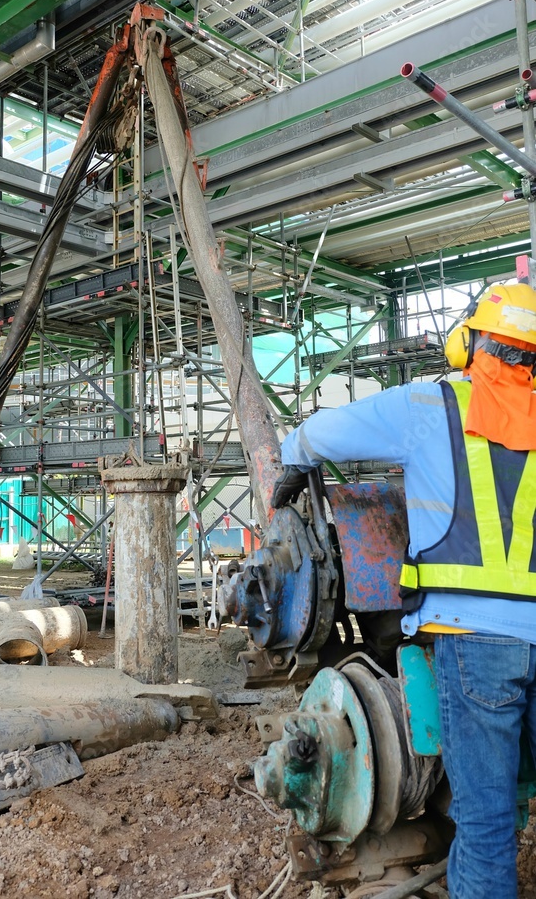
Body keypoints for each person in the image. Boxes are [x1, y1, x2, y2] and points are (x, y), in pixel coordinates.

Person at [272, 283, 536, 899]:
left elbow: (323, 433)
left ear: (468, 343)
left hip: (475, 647)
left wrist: (291, 463)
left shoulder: (432, 408)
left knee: (488, 819)